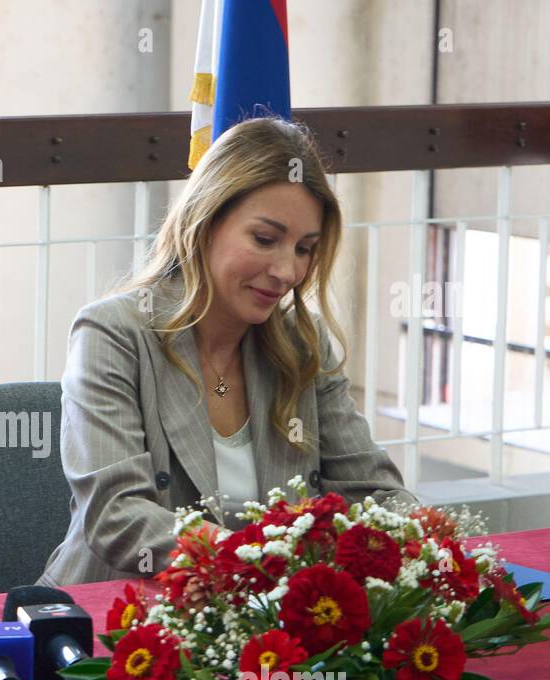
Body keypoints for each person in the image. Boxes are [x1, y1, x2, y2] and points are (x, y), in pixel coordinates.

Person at [40, 116, 417, 587]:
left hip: (260, 619)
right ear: (205, 220)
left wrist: (428, 543)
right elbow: (119, 517)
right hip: (111, 618)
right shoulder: (113, 332)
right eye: (265, 239)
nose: (287, 272)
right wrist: (262, 564)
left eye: (305, 248)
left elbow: (375, 491)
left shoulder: (305, 342)